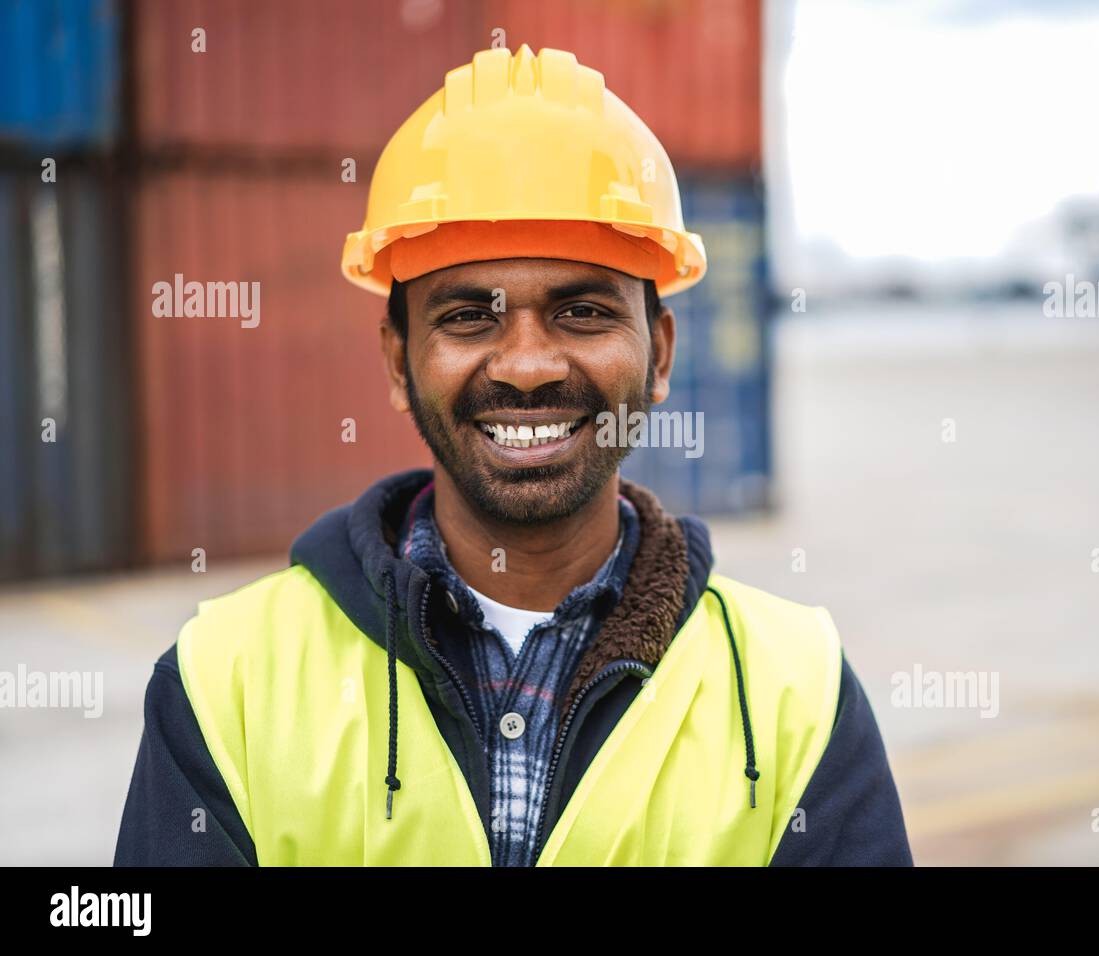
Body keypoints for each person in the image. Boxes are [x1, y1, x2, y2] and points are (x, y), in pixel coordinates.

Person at [114, 44, 911, 867]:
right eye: (468, 318)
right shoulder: (226, 684)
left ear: (660, 354)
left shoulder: (794, 696)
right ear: (398, 362)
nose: (527, 367)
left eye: (583, 312)